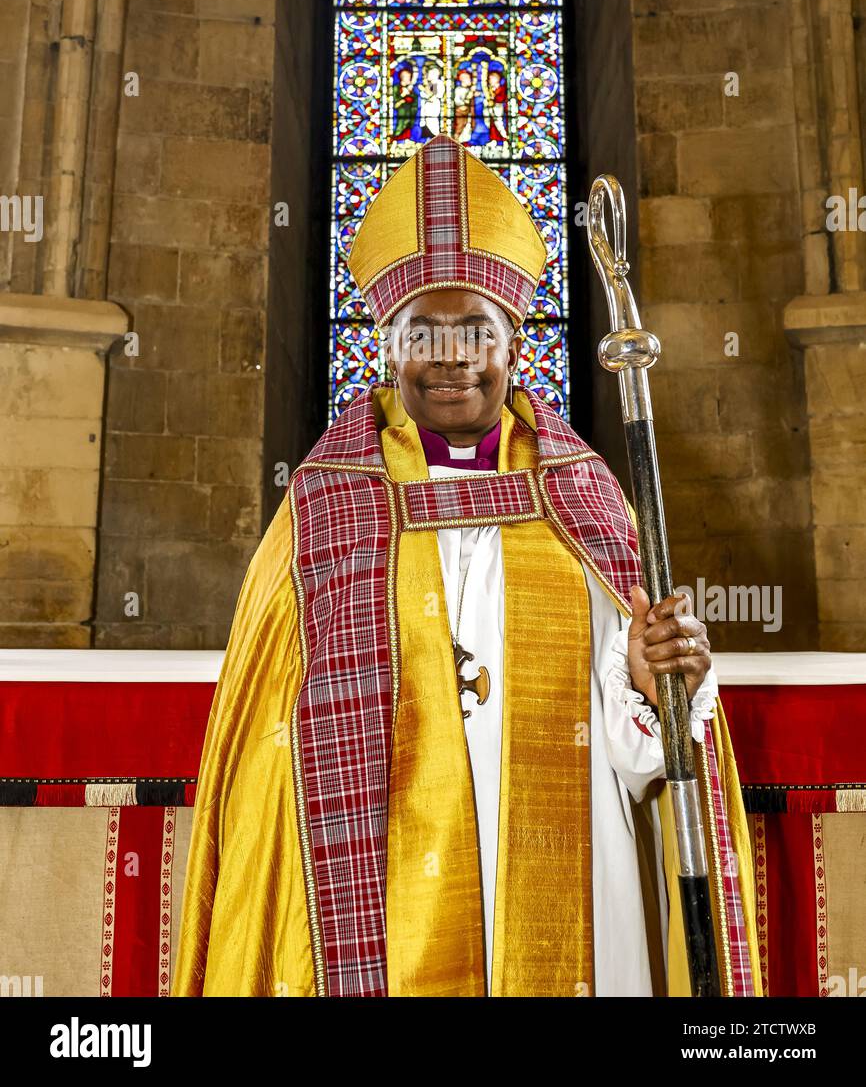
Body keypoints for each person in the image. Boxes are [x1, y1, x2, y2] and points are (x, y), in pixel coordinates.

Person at [172, 133, 761, 998]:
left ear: (513, 348)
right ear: (389, 350)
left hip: (573, 882)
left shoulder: (584, 497)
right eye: (424, 334)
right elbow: (267, 755)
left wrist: (647, 681)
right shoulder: (326, 508)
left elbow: (647, 761)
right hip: (379, 890)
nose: (451, 358)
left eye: (474, 333)